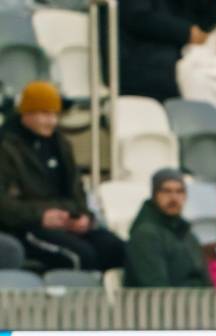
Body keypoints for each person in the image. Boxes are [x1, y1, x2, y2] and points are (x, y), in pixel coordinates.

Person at [0, 81, 125, 273]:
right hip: (27, 227)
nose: (51, 121)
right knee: (81, 257)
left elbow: (76, 189)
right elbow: (5, 205)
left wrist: (83, 216)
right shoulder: (6, 147)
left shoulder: (61, 144)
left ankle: (113, 302)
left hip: (65, 221)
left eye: (54, 114)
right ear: (26, 113)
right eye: (44, 113)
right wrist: (41, 216)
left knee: (116, 249)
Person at [124, 168, 212, 288]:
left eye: (179, 191)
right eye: (166, 191)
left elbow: (205, 281)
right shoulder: (145, 235)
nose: (174, 198)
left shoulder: (187, 234)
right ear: (155, 195)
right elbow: (156, 289)